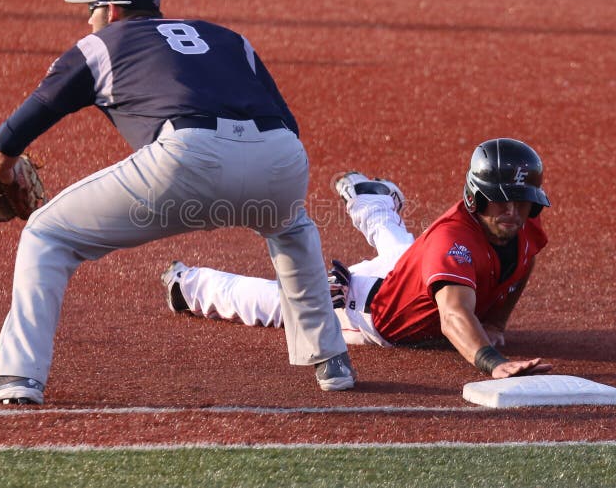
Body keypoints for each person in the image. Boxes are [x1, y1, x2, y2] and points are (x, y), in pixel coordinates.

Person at [0, 0, 355, 405]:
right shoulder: (227, 38)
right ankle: (331, 359)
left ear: (112, 10)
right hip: (279, 157)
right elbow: (289, 123)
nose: (88, 19)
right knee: (292, 230)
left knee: (46, 234)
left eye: (92, 9)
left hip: (189, 159)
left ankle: (17, 373)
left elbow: (24, 123)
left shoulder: (101, 44)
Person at [162, 138, 553, 379]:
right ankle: (189, 285)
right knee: (284, 306)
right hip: (368, 309)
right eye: (501, 200)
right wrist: (491, 361)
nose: (513, 213)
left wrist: (497, 320)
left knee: (403, 252)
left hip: (407, 276)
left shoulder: (522, 230)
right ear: (476, 197)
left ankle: (370, 197)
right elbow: (453, 317)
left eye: (523, 203)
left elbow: (525, 259)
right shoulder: (453, 241)